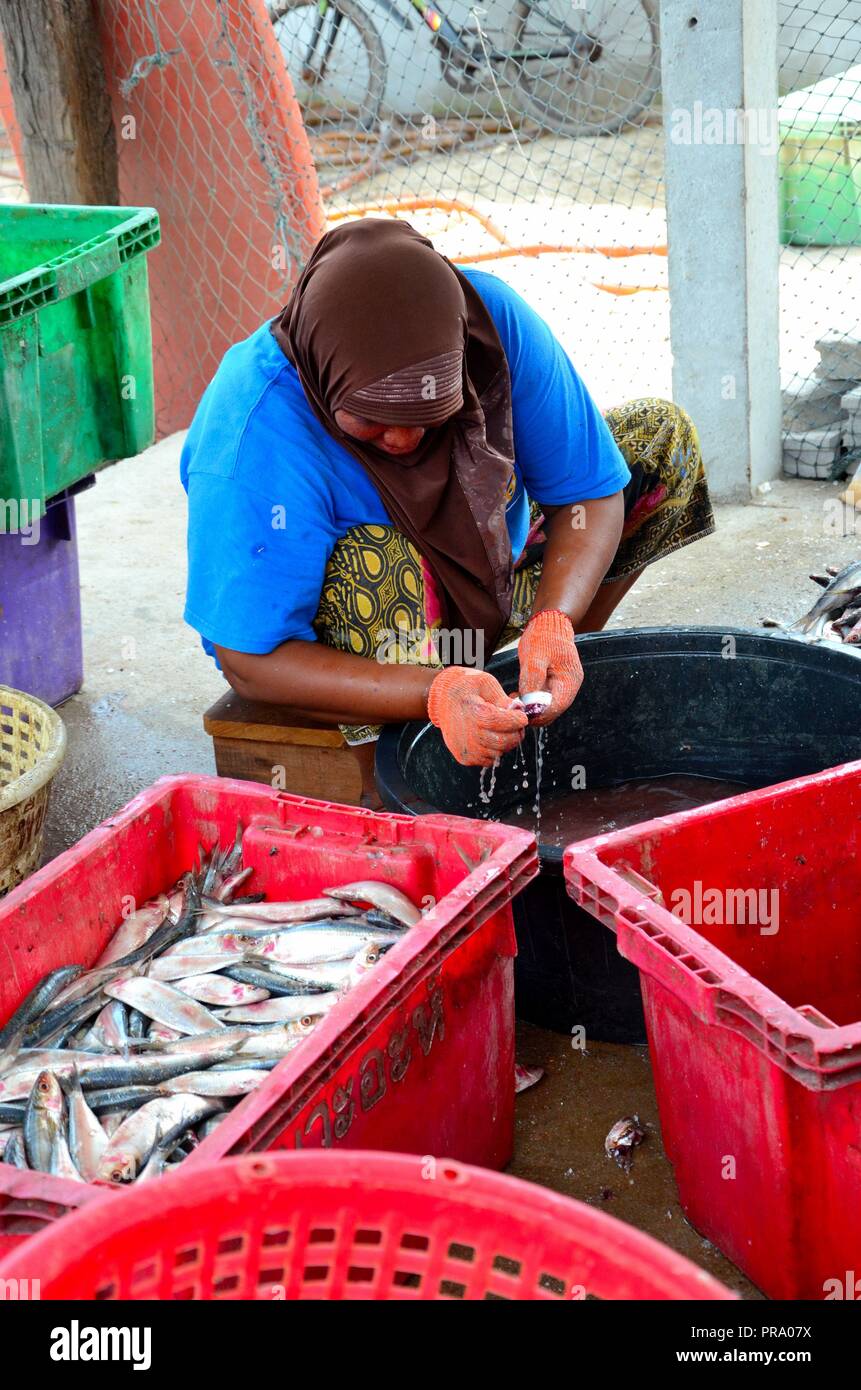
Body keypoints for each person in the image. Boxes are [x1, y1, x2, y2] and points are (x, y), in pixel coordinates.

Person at [182, 219, 714, 798]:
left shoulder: (489, 324)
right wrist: (433, 692)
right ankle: (405, 766)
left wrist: (555, 618)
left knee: (657, 441)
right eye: (374, 420)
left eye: (428, 417)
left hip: (494, 581)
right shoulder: (253, 431)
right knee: (377, 561)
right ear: (328, 381)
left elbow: (589, 493)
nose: (404, 442)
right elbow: (250, 660)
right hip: (373, 632)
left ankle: (535, 687)